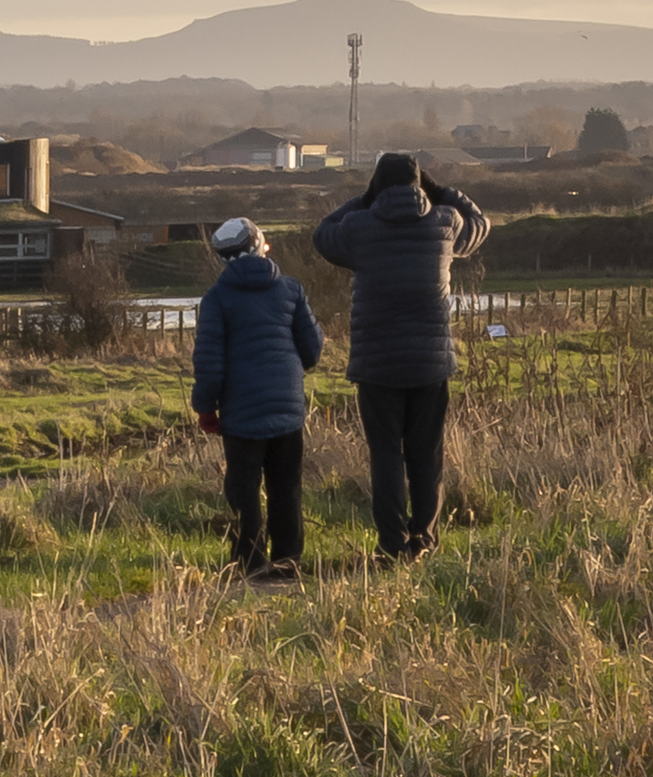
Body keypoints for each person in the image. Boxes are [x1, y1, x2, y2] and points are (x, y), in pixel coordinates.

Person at [314, 151, 489, 562]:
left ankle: (392, 545)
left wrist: (364, 198)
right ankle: (423, 539)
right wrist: (440, 190)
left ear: (378, 184)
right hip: (430, 362)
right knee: (427, 454)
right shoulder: (444, 224)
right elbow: (480, 224)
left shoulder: (358, 227)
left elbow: (323, 234)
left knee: (386, 456)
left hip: (377, 363)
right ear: (418, 182)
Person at [190, 216, 324, 581]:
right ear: (260, 244)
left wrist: (205, 406)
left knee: (243, 487)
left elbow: (209, 360)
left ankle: (250, 561)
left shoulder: (217, 299)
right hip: (287, 405)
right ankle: (288, 560)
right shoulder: (291, 290)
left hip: (240, 411)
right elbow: (312, 350)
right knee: (286, 486)